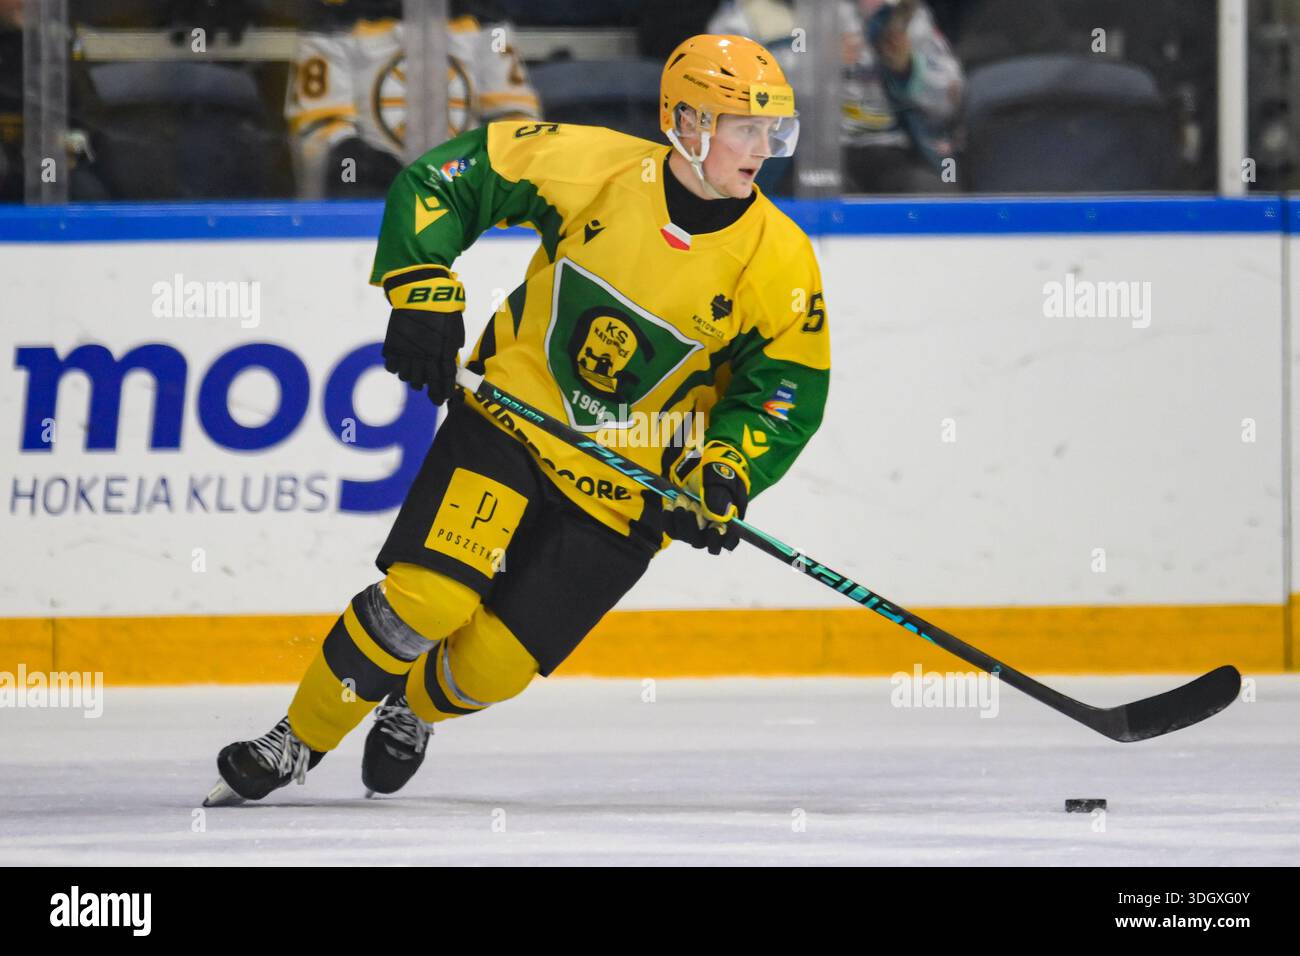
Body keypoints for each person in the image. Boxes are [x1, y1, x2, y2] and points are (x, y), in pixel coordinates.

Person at [205, 33, 831, 806]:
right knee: (429, 599)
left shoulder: (781, 261)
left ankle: (413, 708)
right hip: (511, 423)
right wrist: (422, 285)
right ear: (690, 123)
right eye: (745, 126)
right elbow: (447, 178)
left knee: (493, 666)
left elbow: (785, 391)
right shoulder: (594, 167)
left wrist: (726, 468)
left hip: (627, 487)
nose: (763, 148)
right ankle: (295, 741)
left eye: (773, 130)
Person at [285, 0, 540, 197]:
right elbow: (320, 130)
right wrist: (358, 165)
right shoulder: (336, 24)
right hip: (369, 208)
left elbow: (514, 116)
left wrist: (482, 163)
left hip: (466, 201)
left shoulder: (484, 21)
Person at [840, 0, 963, 193]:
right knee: (806, 200)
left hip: (896, 147)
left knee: (932, 196)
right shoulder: (817, 12)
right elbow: (782, 83)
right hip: (828, 150)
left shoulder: (911, 16)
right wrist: (822, 64)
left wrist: (908, 69)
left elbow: (949, 100)